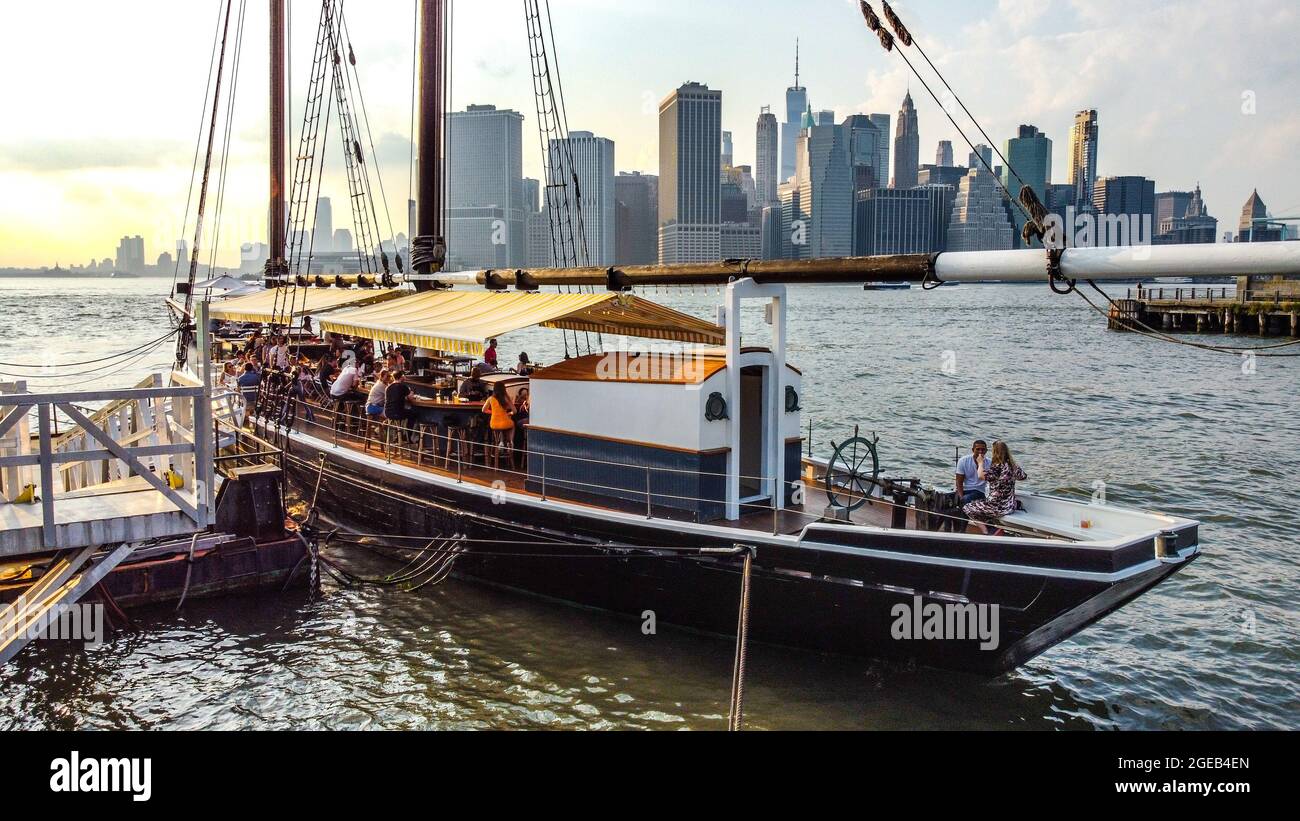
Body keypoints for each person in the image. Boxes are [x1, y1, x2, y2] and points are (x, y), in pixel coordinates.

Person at [962, 441, 1028, 535]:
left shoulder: (996, 467)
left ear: (995, 452)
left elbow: (981, 476)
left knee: (967, 508)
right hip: (1010, 506)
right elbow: (1023, 477)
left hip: (997, 506)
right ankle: (993, 528)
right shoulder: (1013, 466)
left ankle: (987, 531)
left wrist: (980, 463)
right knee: (981, 506)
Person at [482, 381, 515, 468]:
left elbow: (483, 410)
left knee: (500, 428)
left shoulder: (490, 398)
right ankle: (510, 441)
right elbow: (515, 411)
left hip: (494, 424)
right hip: (505, 423)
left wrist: (493, 412)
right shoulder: (506, 398)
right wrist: (509, 413)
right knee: (512, 425)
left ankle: (501, 442)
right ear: (504, 389)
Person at [955, 439, 990, 505]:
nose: (980, 452)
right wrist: (961, 497)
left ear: (986, 451)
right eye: (978, 449)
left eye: (983, 449)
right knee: (963, 499)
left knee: (968, 498)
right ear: (973, 450)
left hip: (980, 491)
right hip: (966, 490)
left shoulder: (989, 462)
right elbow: (959, 482)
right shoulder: (963, 461)